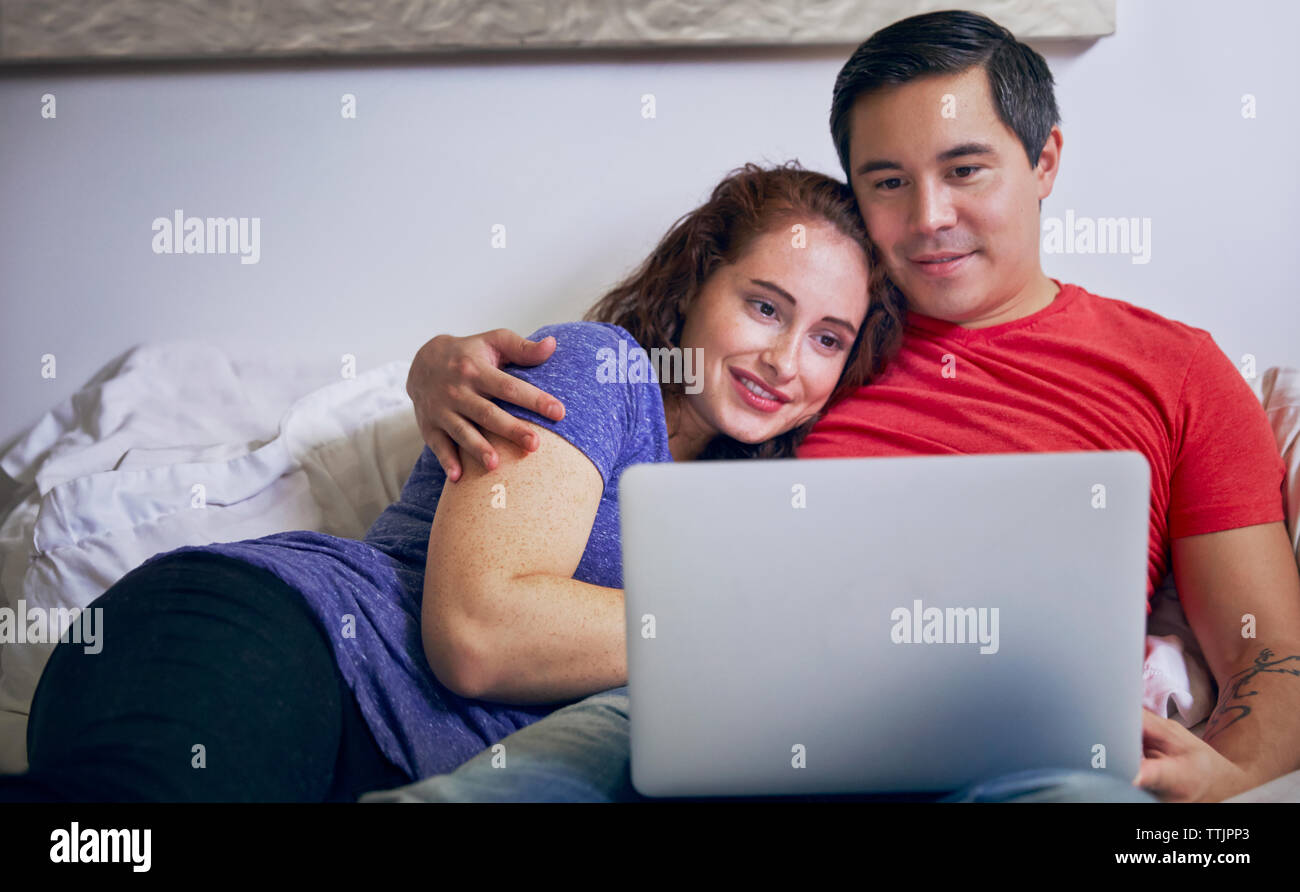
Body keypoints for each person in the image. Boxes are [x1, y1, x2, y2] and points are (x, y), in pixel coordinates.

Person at [384, 10, 1300, 804]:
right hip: (741, 704)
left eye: (966, 170)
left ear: (1045, 159)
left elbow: (1273, 653)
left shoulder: (1176, 369)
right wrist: (433, 369)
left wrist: (1231, 779)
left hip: (1014, 732)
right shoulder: (820, 352)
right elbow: (633, 418)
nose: (930, 215)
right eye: (889, 181)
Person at [0, 161, 899, 803]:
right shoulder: (598, 368)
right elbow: (483, 630)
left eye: (826, 337)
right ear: (698, 282)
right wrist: (774, 632)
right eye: (765, 306)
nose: (786, 360)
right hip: (283, 643)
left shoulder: (739, 498)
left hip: (398, 762)